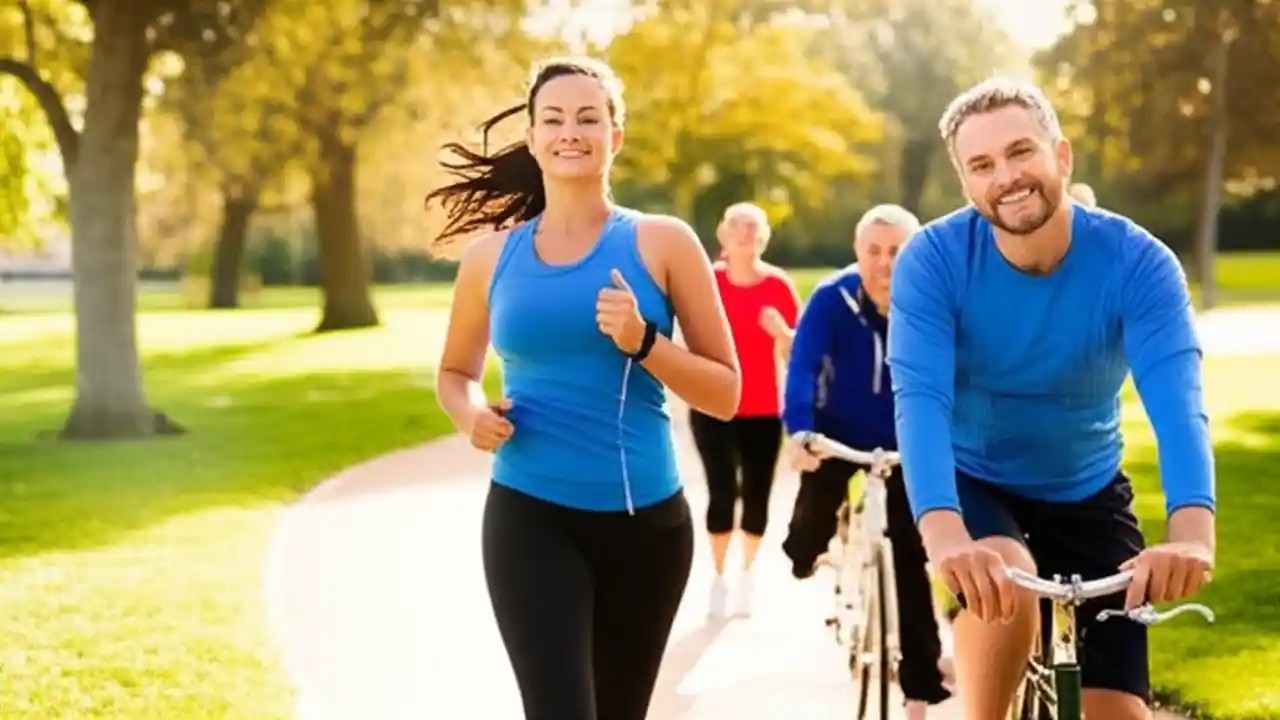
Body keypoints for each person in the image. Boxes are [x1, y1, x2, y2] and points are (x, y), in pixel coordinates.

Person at [424, 55, 741, 720]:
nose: (572, 131)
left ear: (615, 136)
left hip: (645, 527)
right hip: (528, 513)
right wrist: (470, 414)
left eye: (589, 117)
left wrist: (646, 343)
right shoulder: (490, 257)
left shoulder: (662, 242)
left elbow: (725, 394)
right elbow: (455, 373)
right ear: (534, 137)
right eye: (554, 119)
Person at [888, 77, 1215, 720]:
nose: (1006, 177)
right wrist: (946, 534)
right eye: (981, 165)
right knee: (1003, 576)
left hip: (1087, 488)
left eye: (1021, 152)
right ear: (965, 183)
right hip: (974, 479)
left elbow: (1179, 405)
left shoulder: (1138, 263)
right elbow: (920, 399)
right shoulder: (932, 260)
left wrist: (1191, 533)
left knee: (1117, 714)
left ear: (1061, 157)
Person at [779, 204, 952, 720]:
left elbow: (957, 372)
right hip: (838, 432)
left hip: (908, 441)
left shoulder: (932, 302)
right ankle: (808, 551)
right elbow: (804, 364)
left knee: (910, 560)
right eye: (874, 251)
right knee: (807, 530)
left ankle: (921, 689)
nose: (885, 263)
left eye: (897, 251)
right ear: (857, 251)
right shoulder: (832, 299)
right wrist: (800, 431)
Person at [689, 201, 800, 619]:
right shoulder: (707, 282)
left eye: (753, 228)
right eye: (736, 226)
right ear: (722, 234)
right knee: (722, 492)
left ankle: (747, 576)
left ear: (763, 238)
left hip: (762, 409)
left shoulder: (777, 287)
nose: (744, 235)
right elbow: (686, 336)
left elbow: (798, 355)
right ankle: (718, 579)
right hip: (713, 405)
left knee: (757, 495)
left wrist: (782, 332)